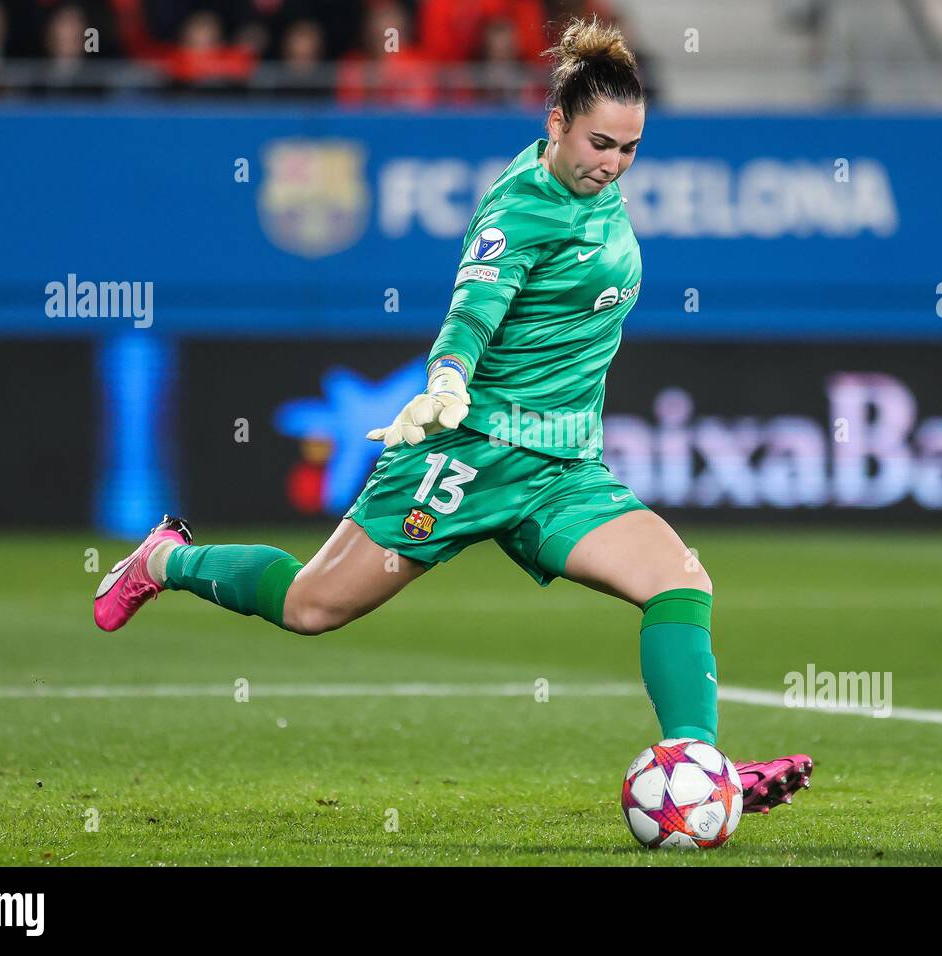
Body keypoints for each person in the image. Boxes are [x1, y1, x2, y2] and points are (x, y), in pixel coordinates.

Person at [94, 15, 812, 818]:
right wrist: (446, 382)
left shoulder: (584, 186)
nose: (612, 165)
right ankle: (163, 560)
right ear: (557, 125)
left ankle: (701, 764)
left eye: (629, 148)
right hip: (468, 455)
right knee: (310, 606)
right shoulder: (520, 213)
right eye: (599, 144)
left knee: (680, 581)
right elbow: (471, 311)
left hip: (561, 470)